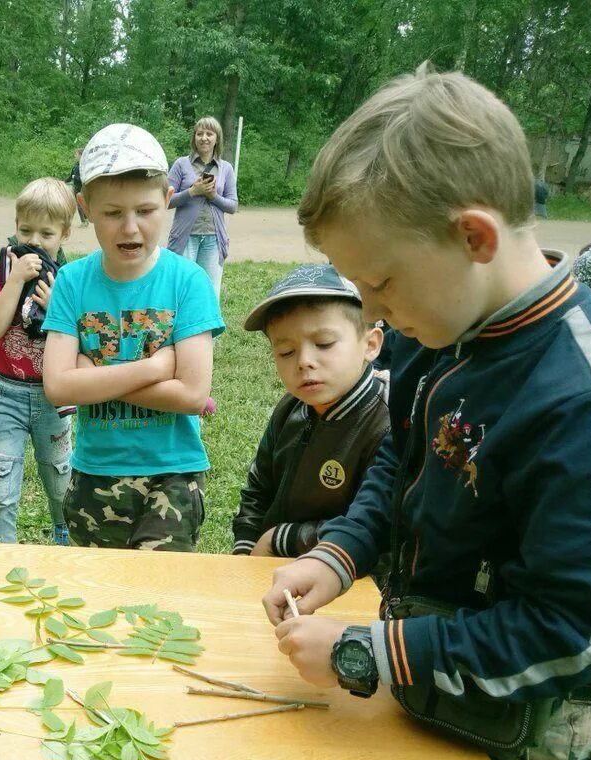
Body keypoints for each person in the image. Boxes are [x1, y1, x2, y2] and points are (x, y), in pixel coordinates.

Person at [264, 65, 591, 760]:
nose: (370, 309)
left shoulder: (590, 391)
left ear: (472, 236)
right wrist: (339, 556)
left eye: (381, 282)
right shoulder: (438, 328)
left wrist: (372, 648)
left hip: (526, 734)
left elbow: (575, 630)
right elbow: (404, 459)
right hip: (419, 674)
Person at [43, 123, 225, 553]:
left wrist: (96, 378)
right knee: (94, 602)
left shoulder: (189, 282)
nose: (130, 228)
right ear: (85, 208)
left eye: (145, 211)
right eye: (111, 213)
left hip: (173, 477)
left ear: (167, 201)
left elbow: (194, 393)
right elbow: (58, 387)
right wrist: (155, 367)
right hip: (93, 474)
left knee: (157, 603)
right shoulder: (70, 282)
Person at [232, 264, 387, 559]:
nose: (304, 361)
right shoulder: (291, 407)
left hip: (342, 582)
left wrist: (283, 539)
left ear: (370, 344)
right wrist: (244, 551)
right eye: (286, 352)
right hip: (269, 572)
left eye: (324, 344)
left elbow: (378, 525)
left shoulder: (384, 423)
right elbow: (258, 489)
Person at [0, 177, 75, 546]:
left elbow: (81, 340)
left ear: (64, 234)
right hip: (7, 395)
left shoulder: (69, 280)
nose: (34, 241)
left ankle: (65, 535)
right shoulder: (6, 271)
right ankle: (0, 555)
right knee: (0, 483)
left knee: (60, 479)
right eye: (25, 230)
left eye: (46, 233)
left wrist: (56, 309)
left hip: (53, 397)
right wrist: (14, 282)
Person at [166, 116, 238, 299]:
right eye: (199, 133)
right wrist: (192, 192)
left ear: (217, 139)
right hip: (185, 238)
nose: (204, 137)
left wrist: (213, 196)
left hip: (213, 239)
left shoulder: (226, 168)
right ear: (194, 138)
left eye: (209, 133)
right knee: (182, 289)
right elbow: (164, 200)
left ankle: (208, 328)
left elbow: (232, 205)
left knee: (209, 292)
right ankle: (181, 327)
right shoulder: (181, 164)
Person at [68, 148, 88, 226]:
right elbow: (70, 177)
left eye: (76, 154)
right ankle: (85, 220)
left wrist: (74, 177)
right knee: (80, 205)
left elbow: (83, 178)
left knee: (80, 205)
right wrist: (63, 181)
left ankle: (84, 222)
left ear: (80, 155)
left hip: (82, 189)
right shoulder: (75, 166)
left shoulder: (84, 166)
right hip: (76, 188)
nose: (75, 156)